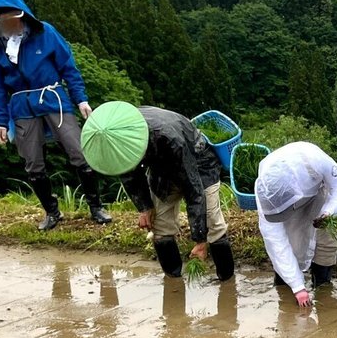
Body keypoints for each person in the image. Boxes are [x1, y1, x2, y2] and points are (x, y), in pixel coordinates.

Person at [0, 0, 111, 230]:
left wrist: (80, 98)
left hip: (53, 99)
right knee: (33, 164)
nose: (10, 21)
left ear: (22, 12)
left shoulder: (45, 32)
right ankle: (52, 212)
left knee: (79, 152)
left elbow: (68, 66)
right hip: (21, 105)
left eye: (14, 15)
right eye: (3, 16)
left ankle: (96, 207)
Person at [80, 102, 234, 281]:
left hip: (199, 164)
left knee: (212, 223)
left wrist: (200, 240)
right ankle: (173, 279)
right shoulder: (117, 137)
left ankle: (226, 280)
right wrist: (144, 206)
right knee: (160, 226)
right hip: (161, 170)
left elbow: (194, 190)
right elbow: (128, 172)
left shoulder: (170, 137)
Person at [254, 142, 337, 308]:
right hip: (288, 205)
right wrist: (298, 288)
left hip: (321, 193)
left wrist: (329, 212)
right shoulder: (267, 194)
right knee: (293, 247)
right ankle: (286, 291)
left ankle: (322, 291)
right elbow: (277, 244)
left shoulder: (313, 159)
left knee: (327, 243)